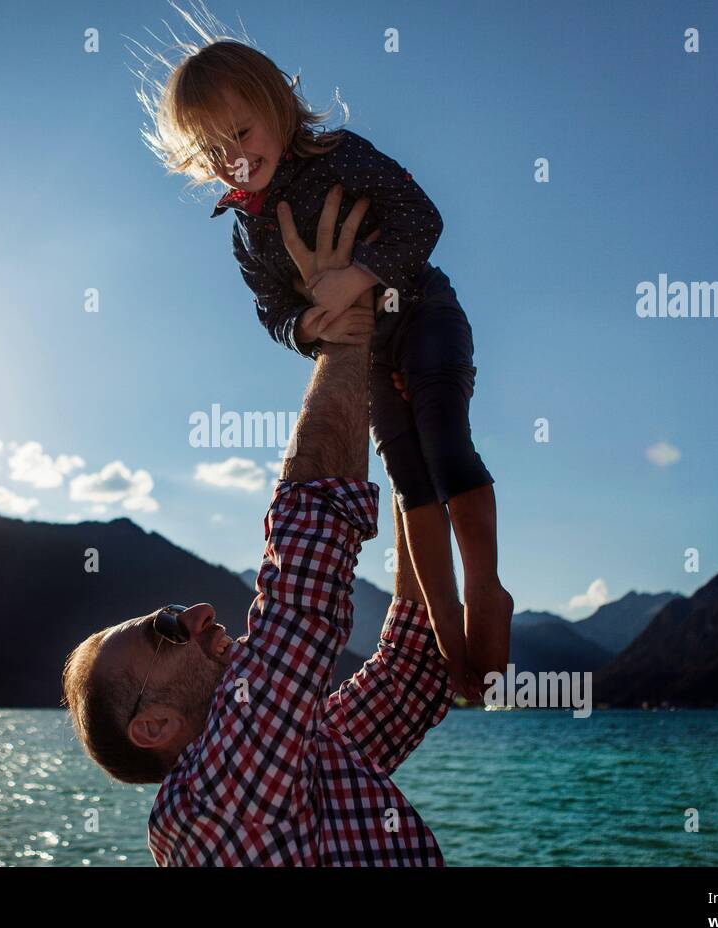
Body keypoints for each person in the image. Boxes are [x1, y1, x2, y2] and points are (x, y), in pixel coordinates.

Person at [62, 188, 471, 865]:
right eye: (164, 629)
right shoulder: (206, 811)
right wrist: (347, 335)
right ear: (154, 725)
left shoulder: (292, 758)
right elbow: (298, 608)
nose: (194, 611)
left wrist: (409, 460)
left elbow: (410, 674)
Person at [137, 25, 513, 691]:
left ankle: (485, 589)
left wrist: (357, 275)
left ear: (280, 108)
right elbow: (271, 311)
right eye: (216, 152)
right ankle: (445, 629)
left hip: (423, 311)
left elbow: (422, 218)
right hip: (367, 353)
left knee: (445, 441)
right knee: (407, 477)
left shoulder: (340, 157)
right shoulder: (247, 231)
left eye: (245, 135)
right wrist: (308, 323)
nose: (237, 159)